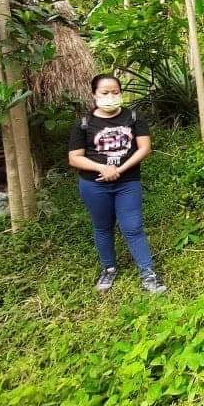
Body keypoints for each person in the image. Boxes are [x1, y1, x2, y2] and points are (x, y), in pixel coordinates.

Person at [68, 74, 166, 294]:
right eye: (105, 93)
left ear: (121, 93)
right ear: (94, 95)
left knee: (133, 227)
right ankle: (108, 268)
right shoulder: (84, 123)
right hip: (93, 185)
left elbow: (144, 148)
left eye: (115, 92)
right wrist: (102, 168)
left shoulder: (133, 117)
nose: (111, 97)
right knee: (102, 227)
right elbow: (74, 157)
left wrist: (119, 170)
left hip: (127, 182)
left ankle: (148, 273)